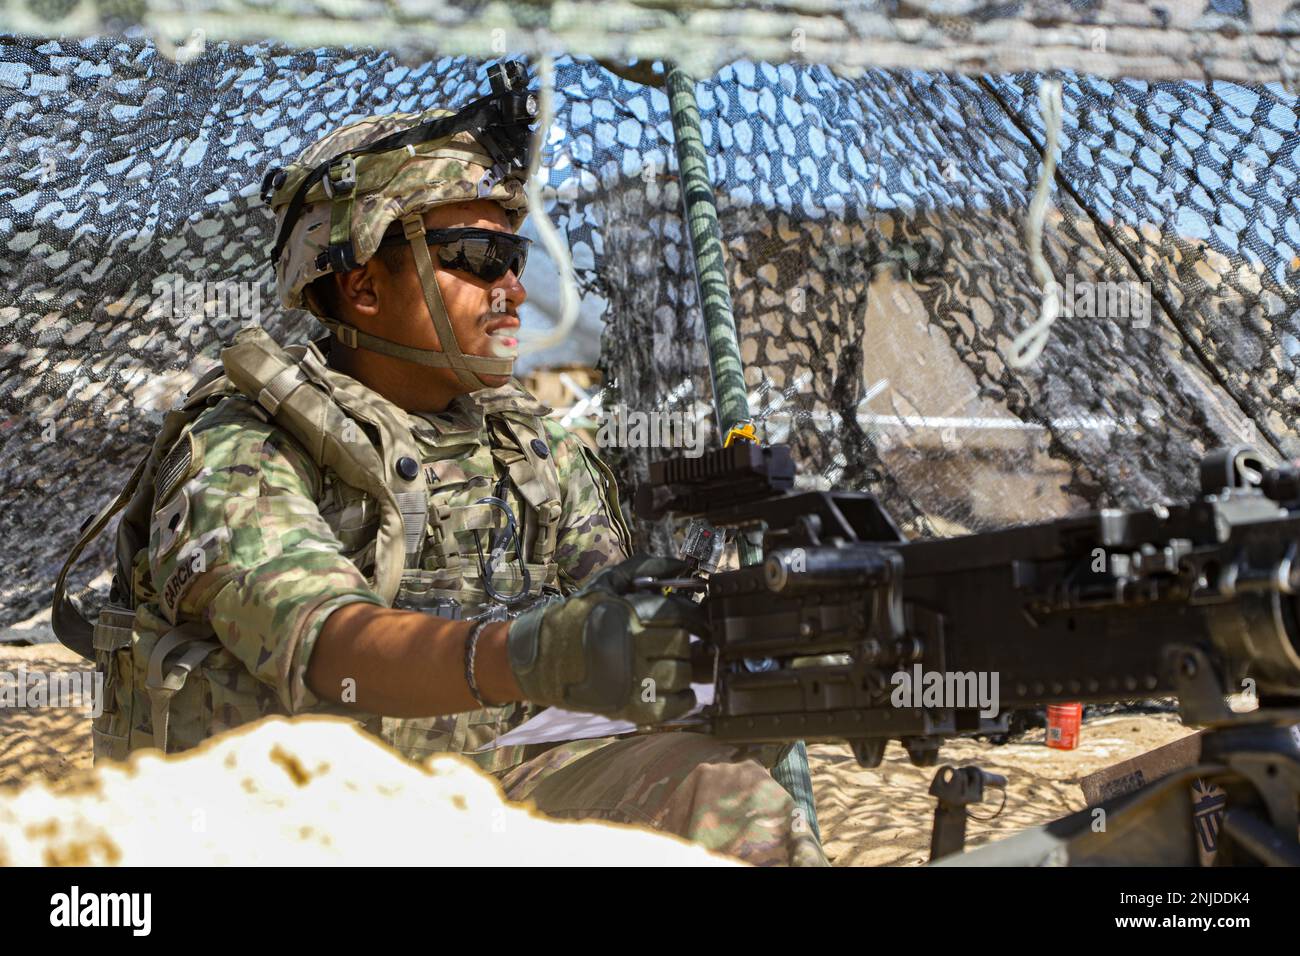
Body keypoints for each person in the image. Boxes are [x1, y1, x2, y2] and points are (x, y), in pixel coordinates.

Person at [56, 76, 825, 866]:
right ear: (361, 284)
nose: (515, 290)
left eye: (514, 256)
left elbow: (606, 611)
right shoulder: (245, 448)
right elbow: (327, 644)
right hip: (299, 825)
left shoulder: (532, 448)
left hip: (494, 790)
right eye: (480, 259)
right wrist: (527, 653)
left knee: (724, 796)